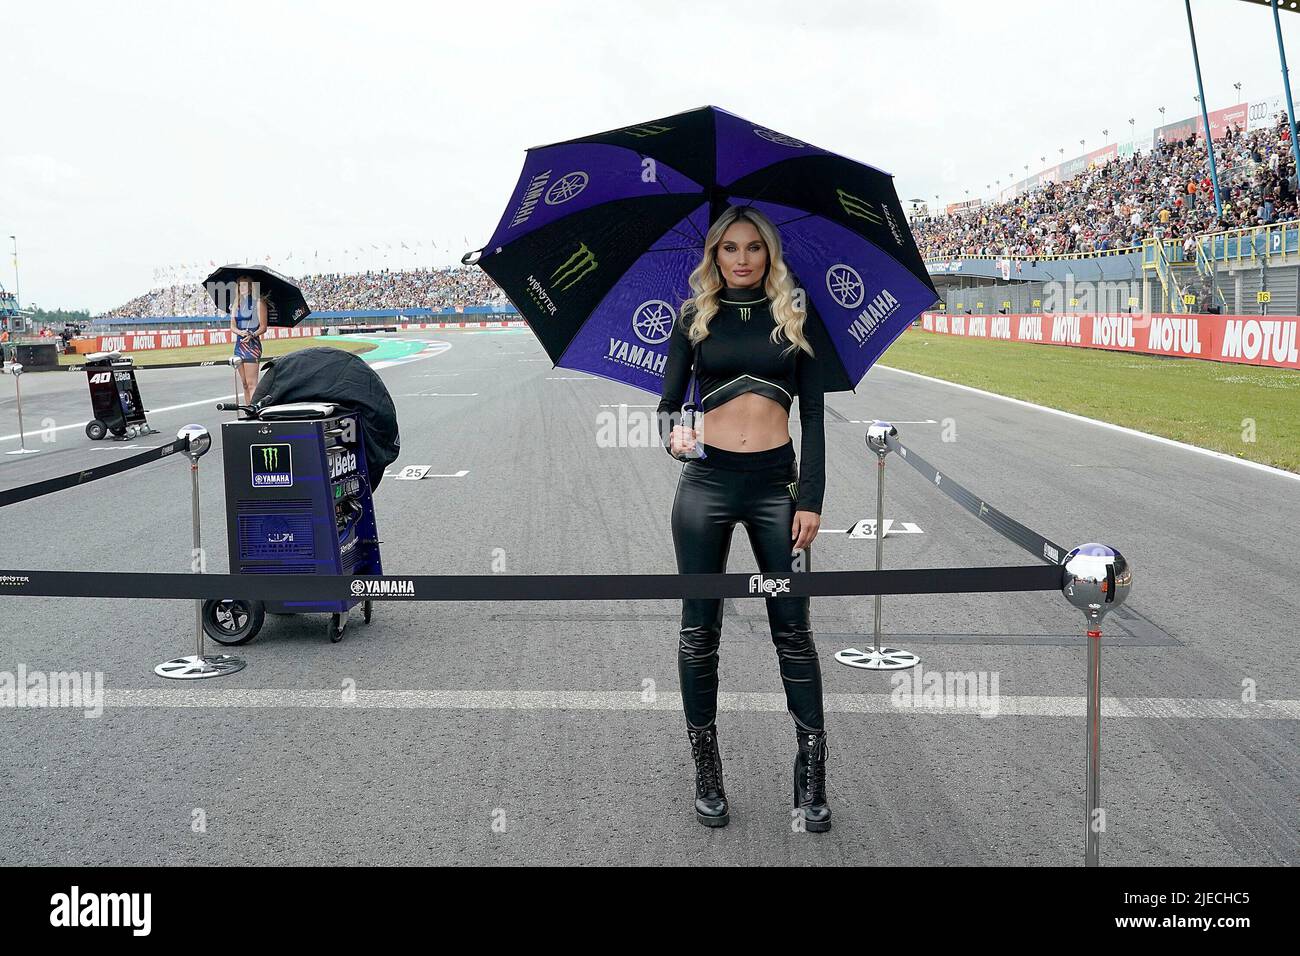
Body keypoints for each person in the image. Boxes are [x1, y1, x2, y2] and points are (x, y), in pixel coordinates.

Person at [656, 204, 829, 831]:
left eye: (754, 247)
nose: (742, 258)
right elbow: (668, 405)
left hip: (776, 488)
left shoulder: (797, 315)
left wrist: (809, 497)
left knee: (793, 629)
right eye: (729, 248)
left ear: (770, 254)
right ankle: (707, 769)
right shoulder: (694, 318)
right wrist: (675, 433)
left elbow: (813, 414)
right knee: (700, 632)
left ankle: (811, 774)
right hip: (707, 484)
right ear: (714, 256)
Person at [229, 275, 268, 403]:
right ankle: (248, 411)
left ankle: (254, 411)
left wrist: (252, 334)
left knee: (252, 384)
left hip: (252, 346)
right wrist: (240, 332)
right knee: (245, 384)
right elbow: (232, 327)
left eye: (245, 285)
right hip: (239, 346)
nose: (242, 287)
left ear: (251, 287)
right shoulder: (236, 304)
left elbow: (263, 327)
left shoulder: (259, 303)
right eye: (240, 285)